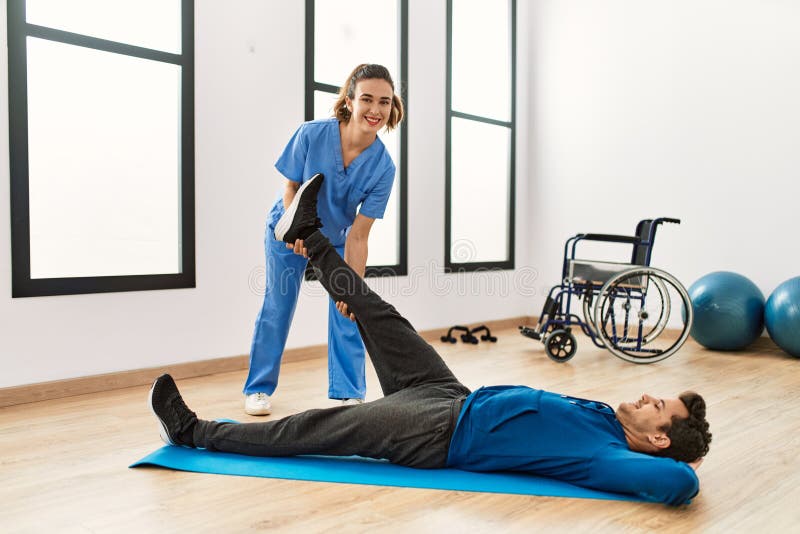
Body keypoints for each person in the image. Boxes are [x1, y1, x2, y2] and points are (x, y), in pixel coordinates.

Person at [151, 175, 712, 506]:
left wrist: (686, 462)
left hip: (435, 433)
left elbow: (678, 484)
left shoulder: (608, 457)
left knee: (311, 429)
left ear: (660, 440)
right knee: (376, 309)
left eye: (656, 407)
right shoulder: (608, 422)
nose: (645, 397)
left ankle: (192, 431)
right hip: (450, 393)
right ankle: (308, 234)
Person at [244, 64, 405, 415]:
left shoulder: (384, 168)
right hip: (287, 229)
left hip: (334, 239)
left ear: (392, 107)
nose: (375, 110)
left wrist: (355, 291)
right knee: (278, 306)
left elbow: (359, 235)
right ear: (349, 100)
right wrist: (295, 230)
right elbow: (290, 186)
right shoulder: (311, 134)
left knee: (348, 307)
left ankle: (350, 394)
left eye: (384, 101)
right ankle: (257, 389)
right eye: (366, 99)